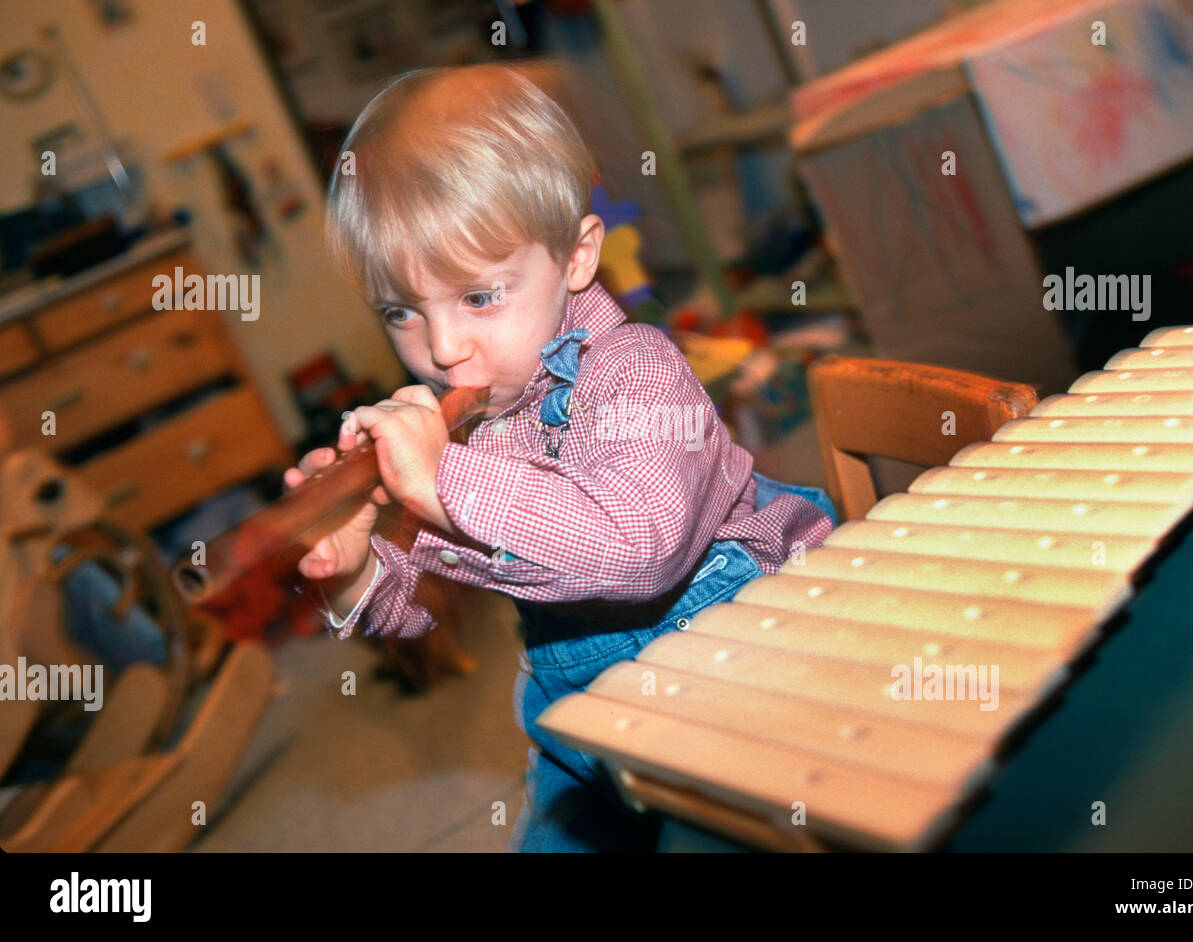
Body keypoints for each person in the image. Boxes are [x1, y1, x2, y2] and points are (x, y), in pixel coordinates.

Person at [284, 63, 835, 852]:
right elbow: (416, 608)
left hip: (748, 667)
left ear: (576, 258)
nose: (441, 349)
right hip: (590, 714)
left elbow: (636, 551)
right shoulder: (470, 427)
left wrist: (444, 477)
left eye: (478, 297)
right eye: (402, 312)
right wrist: (352, 570)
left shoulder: (636, 369)